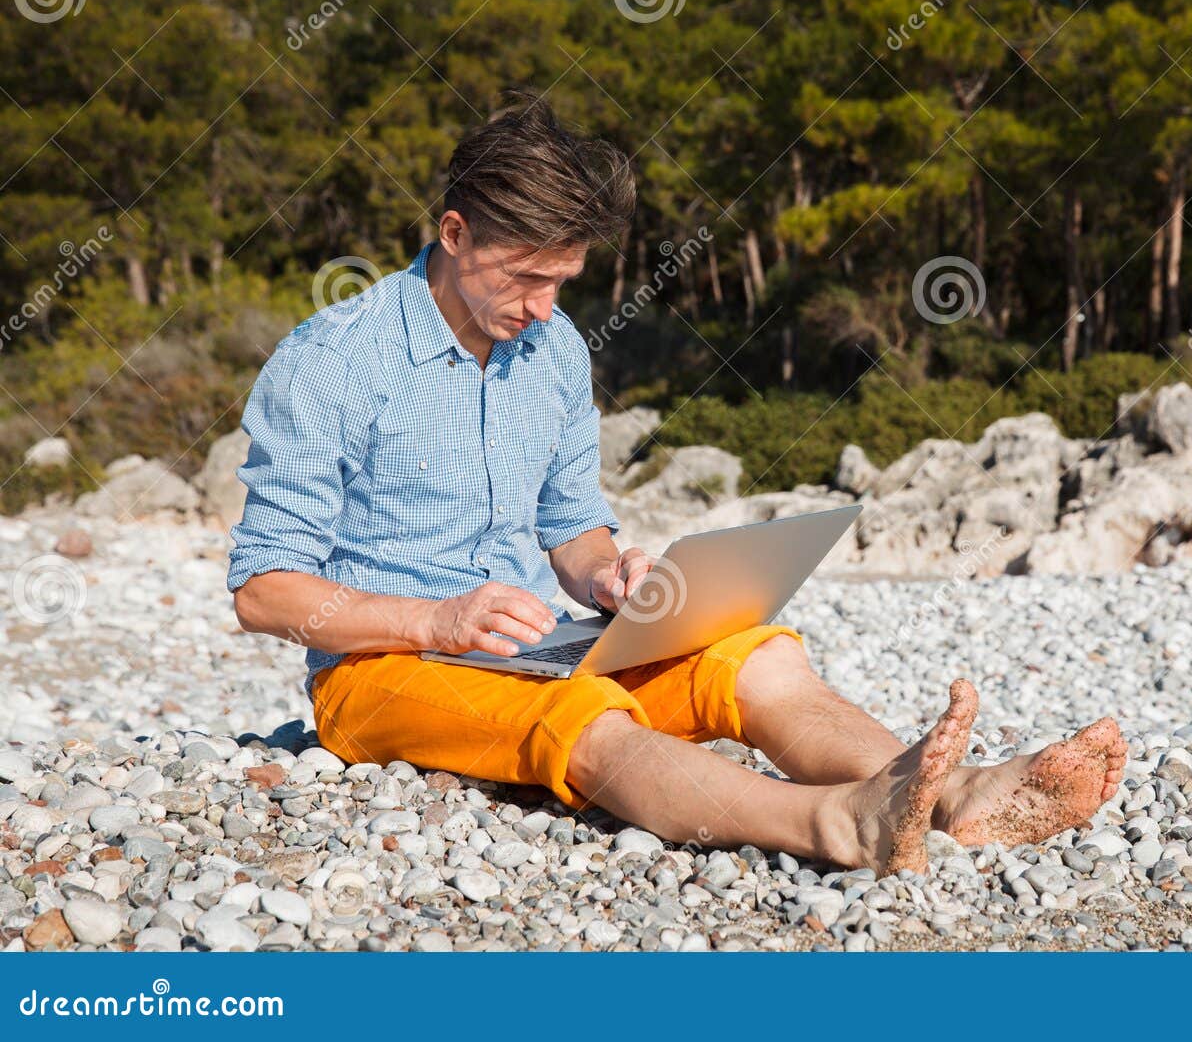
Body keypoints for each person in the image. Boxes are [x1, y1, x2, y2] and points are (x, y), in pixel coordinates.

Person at [228, 92, 1126, 873]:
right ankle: (842, 824)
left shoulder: (554, 351)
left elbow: (571, 530)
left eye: (564, 280)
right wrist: (434, 618)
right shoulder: (331, 362)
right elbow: (265, 592)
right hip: (378, 674)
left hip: (537, 648)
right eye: (529, 278)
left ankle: (959, 798)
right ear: (455, 234)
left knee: (755, 652)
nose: (546, 308)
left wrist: (614, 575)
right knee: (590, 713)